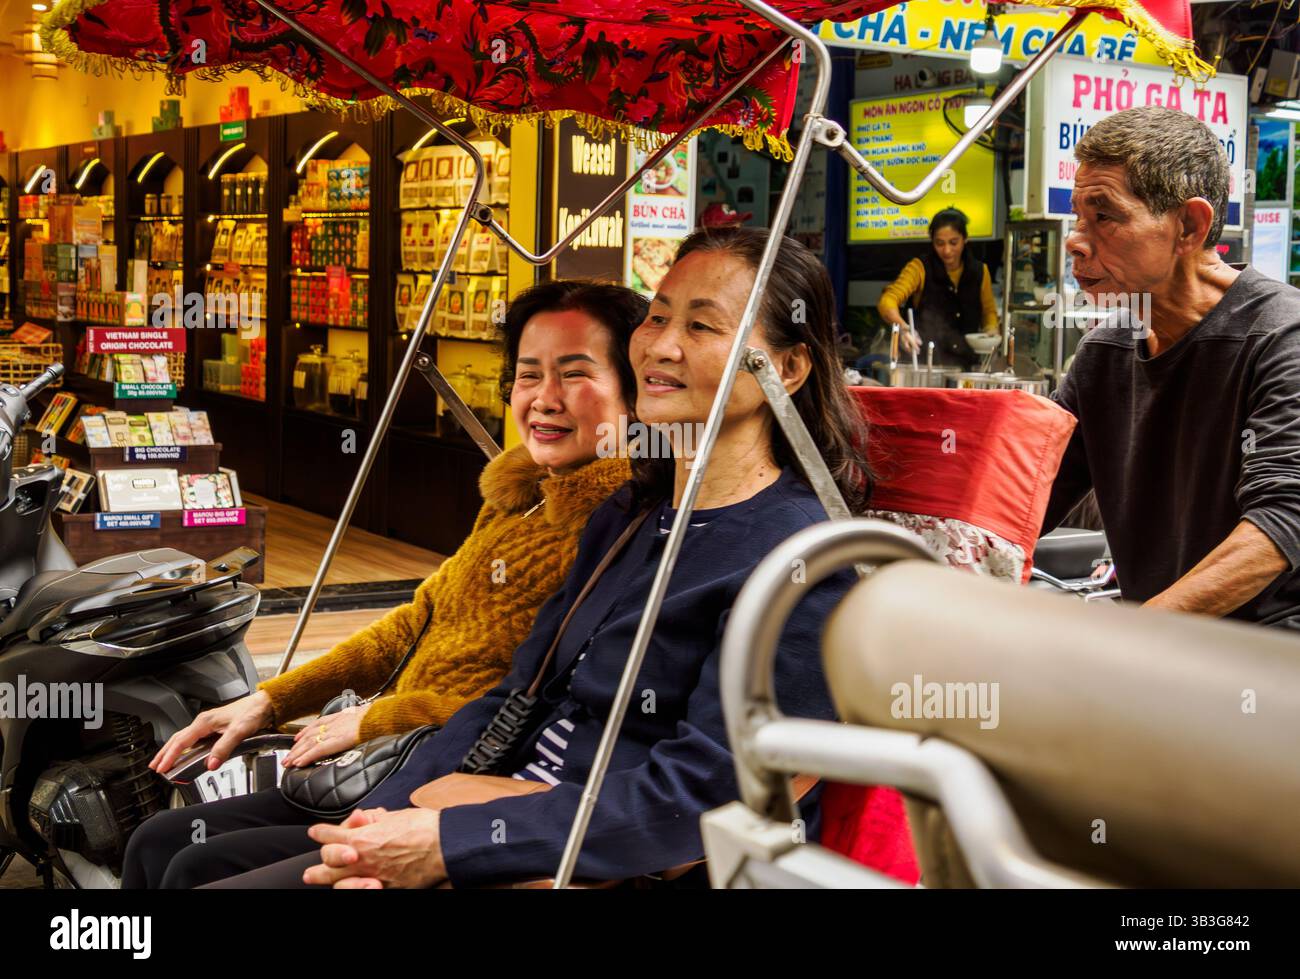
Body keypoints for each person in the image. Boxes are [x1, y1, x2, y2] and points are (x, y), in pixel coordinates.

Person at [198, 227, 870, 888]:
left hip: (596, 858)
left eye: (702, 326)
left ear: (787, 366)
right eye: (658, 315)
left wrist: (448, 846)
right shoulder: (632, 514)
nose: (662, 345)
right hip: (496, 806)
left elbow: (708, 791)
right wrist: (386, 812)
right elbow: (518, 691)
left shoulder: (802, 559)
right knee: (194, 861)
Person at [123, 280, 646, 888]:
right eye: (529, 375)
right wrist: (272, 698)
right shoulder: (517, 495)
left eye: (575, 374)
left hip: (441, 775)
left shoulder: (615, 526)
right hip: (379, 758)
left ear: (634, 395)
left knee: (189, 862)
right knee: (160, 840)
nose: (544, 399)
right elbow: (415, 619)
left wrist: (375, 721)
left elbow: (540, 707)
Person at [1041, 105, 1300, 630]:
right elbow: (1032, 492)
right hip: (1166, 651)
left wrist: (1132, 637)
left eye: (1105, 216)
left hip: (1270, 665)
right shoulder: (1105, 351)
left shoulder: (1281, 336)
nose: (1075, 239)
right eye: (1078, 216)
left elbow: (1280, 525)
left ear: (1189, 225)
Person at [877, 207, 999, 366]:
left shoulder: (980, 271)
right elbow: (888, 300)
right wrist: (903, 328)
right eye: (939, 243)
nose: (947, 250)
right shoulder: (919, 268)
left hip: (966, 365)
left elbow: (988, 312)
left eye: (953, 242)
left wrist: (991, 332)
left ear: (965, 239)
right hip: (925, 364)